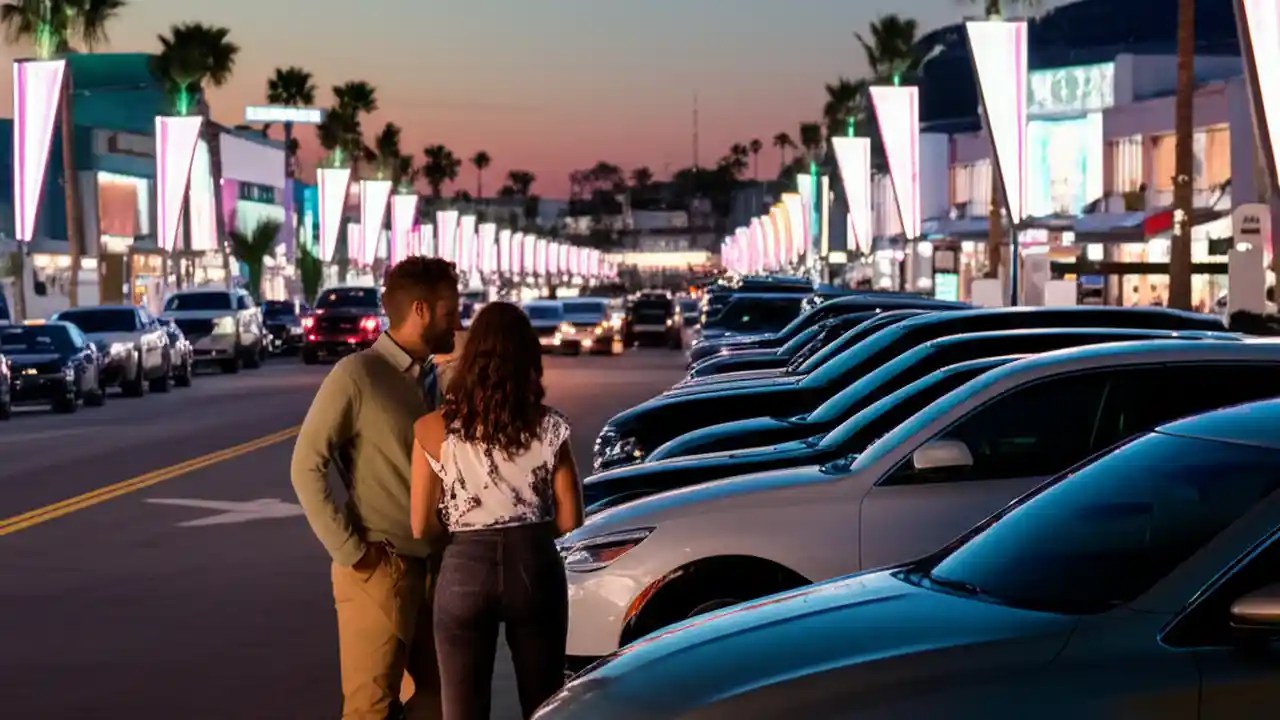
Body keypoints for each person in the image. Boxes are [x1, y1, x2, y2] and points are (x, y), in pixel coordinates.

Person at [291, 257, 461, 720]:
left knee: (439, 700)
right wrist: (351, 550)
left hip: (438, 568)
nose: (458, 322)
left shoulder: (436, 379)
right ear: (421, 310)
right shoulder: (358, 375)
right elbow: (307, 465)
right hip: (381, 566)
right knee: (371, 706)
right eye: (451, 312)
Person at [410, 301, 583, 720]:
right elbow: (571, 519)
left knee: (463, 708)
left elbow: (420, 525)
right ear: (528, 358)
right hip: (534, 563)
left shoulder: (431, 428)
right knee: (543, 703)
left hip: (465, 565)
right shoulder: (549, 426)